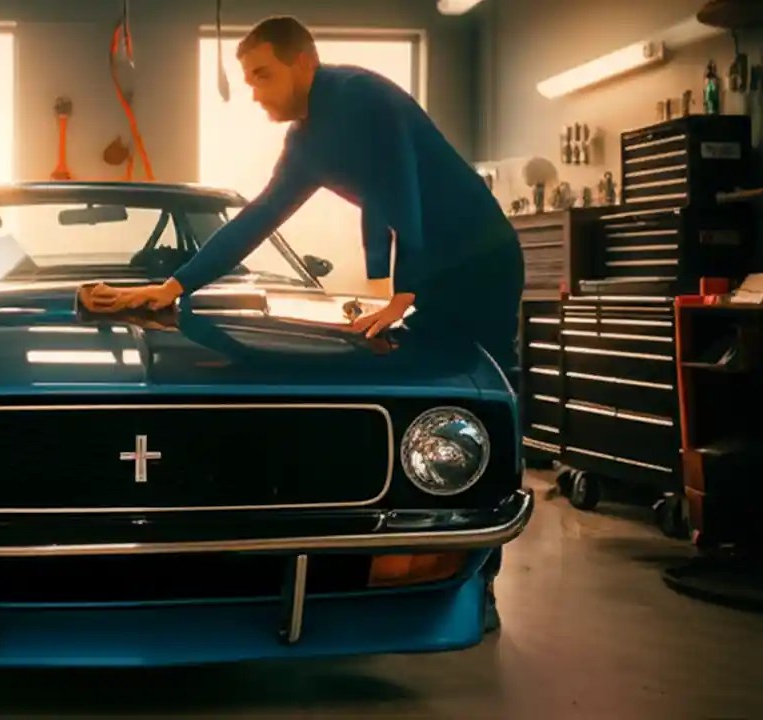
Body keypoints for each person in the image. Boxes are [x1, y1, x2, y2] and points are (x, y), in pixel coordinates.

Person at [82, 15, 523, 633]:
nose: (255, 91)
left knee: (484, 397)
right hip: (426, 263)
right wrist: (174, 285)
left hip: (482, 257)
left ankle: (482, 581)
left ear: (304, 63)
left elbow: (402, 185)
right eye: (248, 78)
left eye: (262, 74)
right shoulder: (306, 143)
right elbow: (255, 219)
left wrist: (400, 290)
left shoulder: (363, 93)